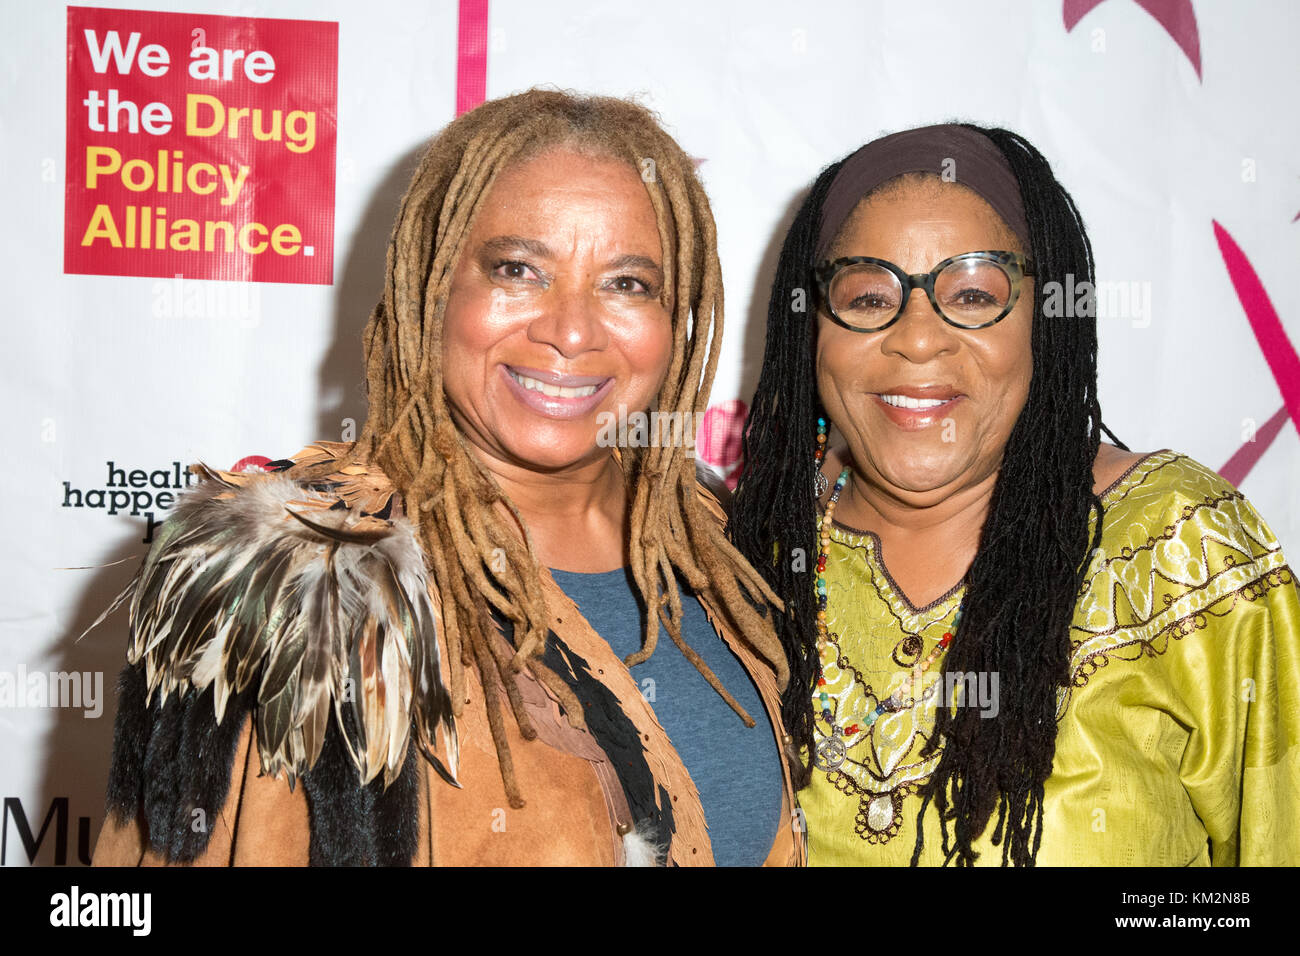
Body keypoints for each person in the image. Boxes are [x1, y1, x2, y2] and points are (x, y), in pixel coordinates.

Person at [91, 90, 802, 867]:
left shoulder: (716, 548)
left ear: (680, 318)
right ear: (432, 288)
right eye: (519, 270)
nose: (570, 329)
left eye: (628, 284)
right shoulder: (296, 575)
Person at [730, 123, 1300, 866]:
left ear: (1046, 321)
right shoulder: (743, 563)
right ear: (811, 330)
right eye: (869, 297)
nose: (918, 338)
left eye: (972, 294)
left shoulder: (1180, 548)